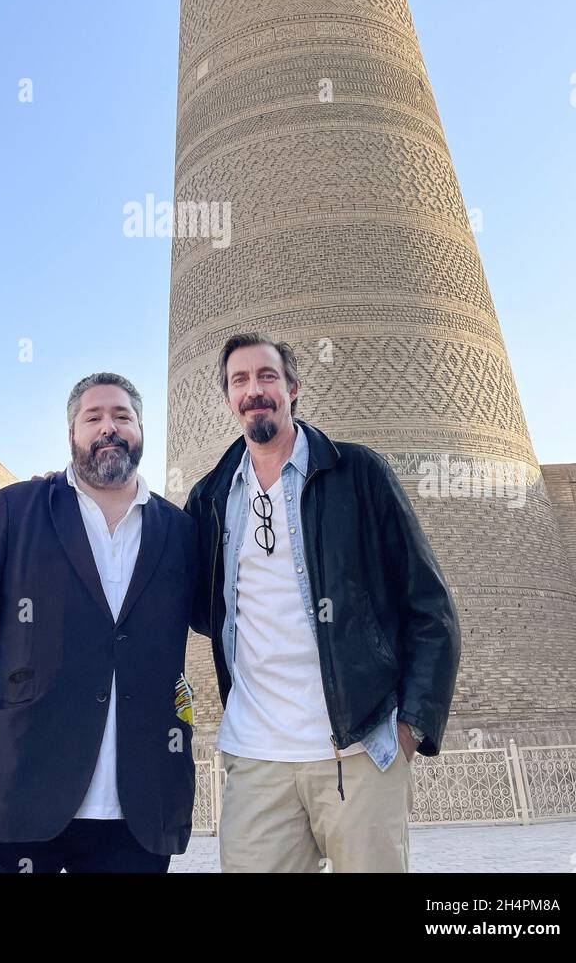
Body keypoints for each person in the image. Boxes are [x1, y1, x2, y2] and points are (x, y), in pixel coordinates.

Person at [185, 332, 461, 873]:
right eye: (240, 380)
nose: (254, 390)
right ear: (228, 400)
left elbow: (432, 607)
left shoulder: (358, 474)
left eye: (267, 377)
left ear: (293, 388)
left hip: (358, 750)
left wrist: (412, 727)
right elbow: (195, 604)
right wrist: (71, 496)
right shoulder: (210, 498)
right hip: (257, 758)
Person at [0, 372, 198, 873]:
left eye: (122, 416)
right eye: (93, 418)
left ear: (140, 430)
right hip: (17, 793)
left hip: (136, 811)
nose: (108, 428)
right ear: (73, 433)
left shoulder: (176, 530)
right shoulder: (17, 511)